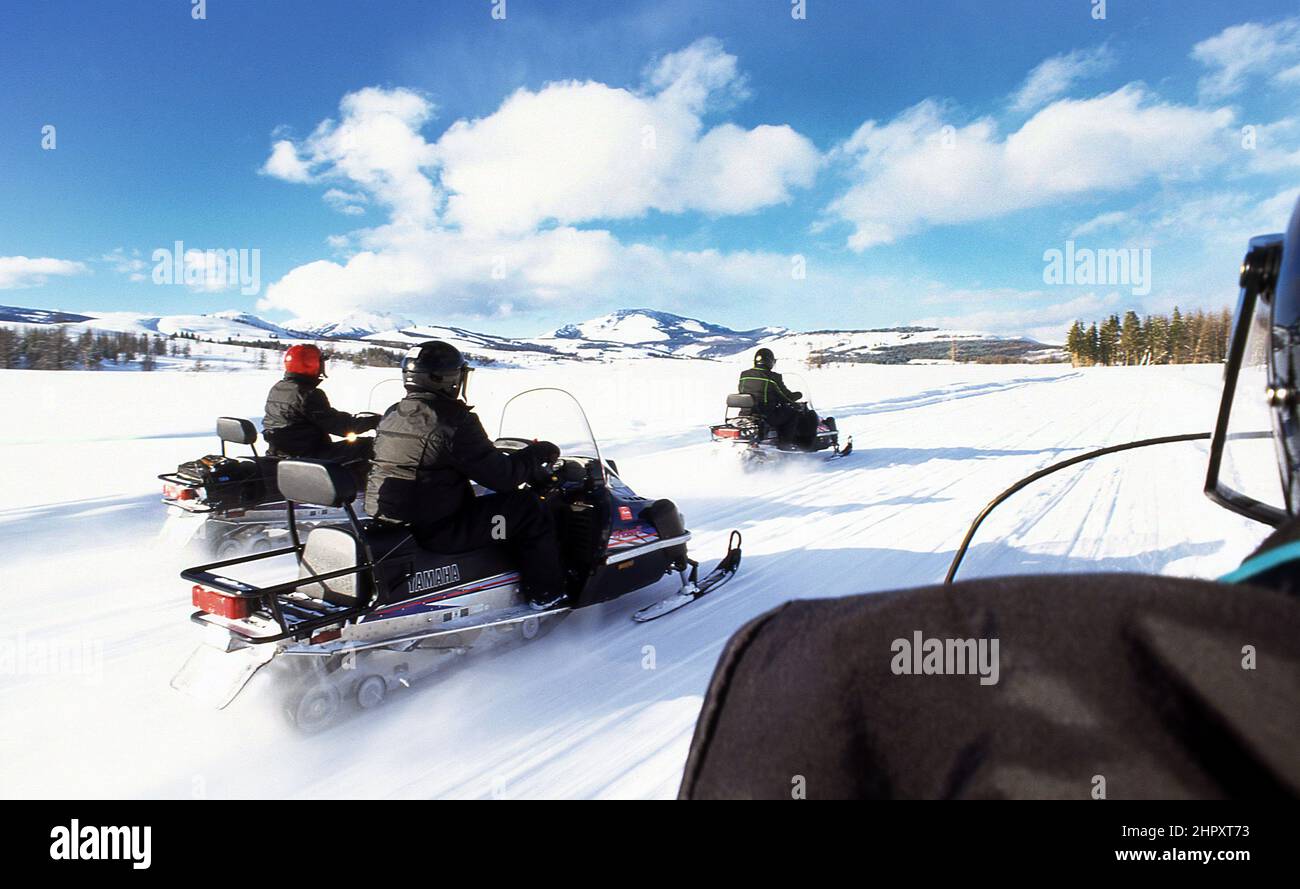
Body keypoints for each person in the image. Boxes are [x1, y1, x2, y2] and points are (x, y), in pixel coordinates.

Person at [680, 198, 1300, 800]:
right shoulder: (768, 377)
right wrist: (793, 404)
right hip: (773, 425)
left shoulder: (744, 379)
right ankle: (801, 443)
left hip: (753, 431)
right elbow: (783, 398)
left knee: (794, 420)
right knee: (797, 420)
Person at [364, 341, 568, 611]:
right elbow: (503, 478)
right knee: (529, 507)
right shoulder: (453, 419)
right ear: (446, 378)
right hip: (440, 529)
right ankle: (547, 594)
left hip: (393, 520)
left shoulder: (393, 413)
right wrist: (537, 453)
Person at [262, 344, 379, 463]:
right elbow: (341, 426)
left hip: (282, 454)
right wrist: (376, 421)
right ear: (313, 364)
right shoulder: (308, 394)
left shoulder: (278, 388)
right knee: (368, 445)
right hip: (309, 457)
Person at [737, 348, 821, 448]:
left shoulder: (744, 375)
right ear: (769, 361)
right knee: (793, 414)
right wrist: (798, 395)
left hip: (746, 413)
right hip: (766, 414)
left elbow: (742, 390)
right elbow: (786, 396)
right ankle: (785, 444)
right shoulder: (773, 377)